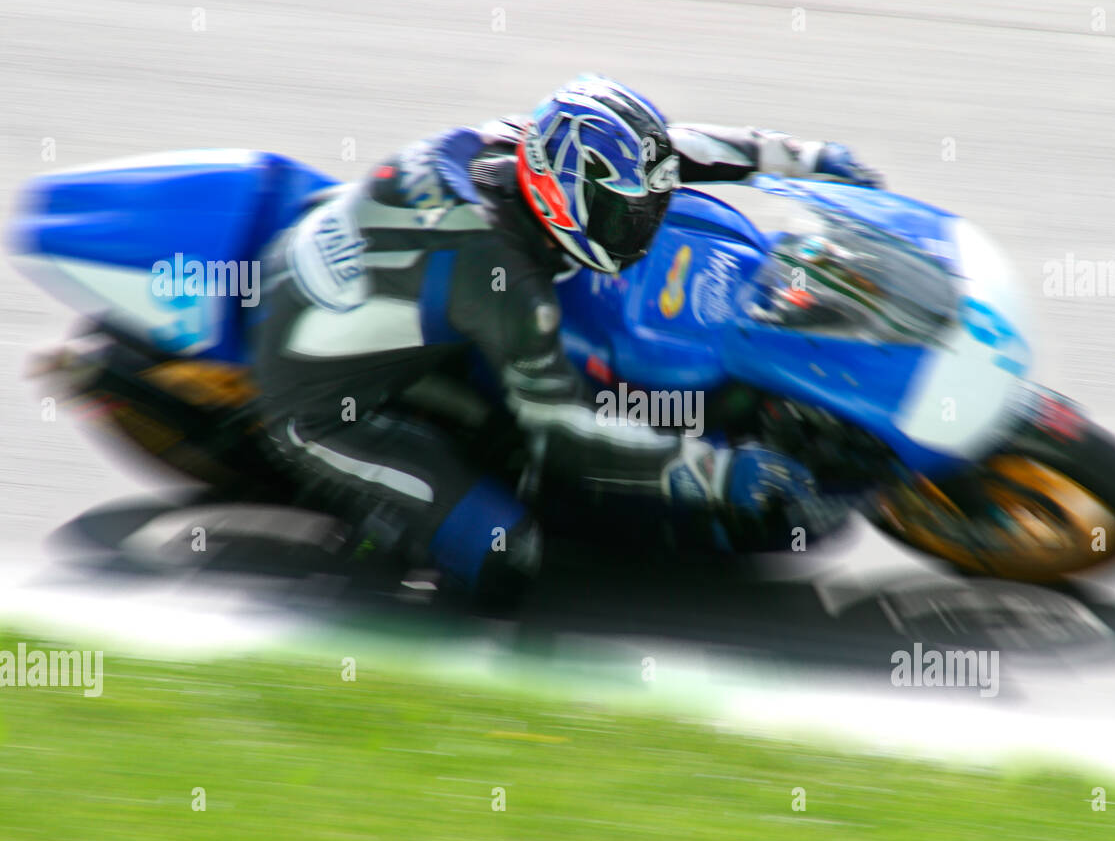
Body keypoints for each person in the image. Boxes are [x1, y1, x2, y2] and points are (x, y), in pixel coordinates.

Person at [251, 75, 884, 598]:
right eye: (624, 211)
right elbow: (563, 431)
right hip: (323, 408)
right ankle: (384, 537)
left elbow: (674, 149)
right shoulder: (502, 279)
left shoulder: (529, 149)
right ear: (563, 198)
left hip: (363, 277)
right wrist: (716, 473)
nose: (643, 222)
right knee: (506, 556)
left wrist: (808, 160)